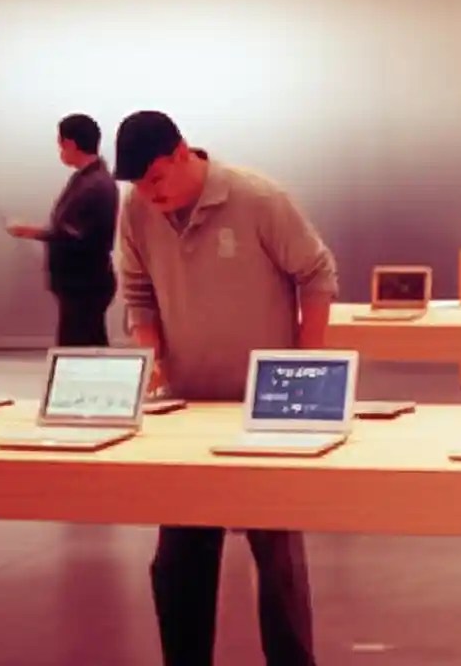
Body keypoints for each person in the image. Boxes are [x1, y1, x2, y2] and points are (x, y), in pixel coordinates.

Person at [114, 110, 338, 666]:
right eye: (139, 185)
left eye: (158, 179)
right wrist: (154, 357)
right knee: (179, 559)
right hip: (187, 408)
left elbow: (316, 274)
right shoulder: (136, 209)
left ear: (184, 153)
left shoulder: (257, 199)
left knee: (277, 556)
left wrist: (308, 368)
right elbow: (137, 289)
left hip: (266, 409)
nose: (150, 193)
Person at [5, 114, 119, 346]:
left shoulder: (94, 185)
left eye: (60, 143)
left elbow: (74, 235)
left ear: (70, 143)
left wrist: (30, 231)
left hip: (84, 284)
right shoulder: (89, 179)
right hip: (82, 283)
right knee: (87, 345)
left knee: (79, 349)